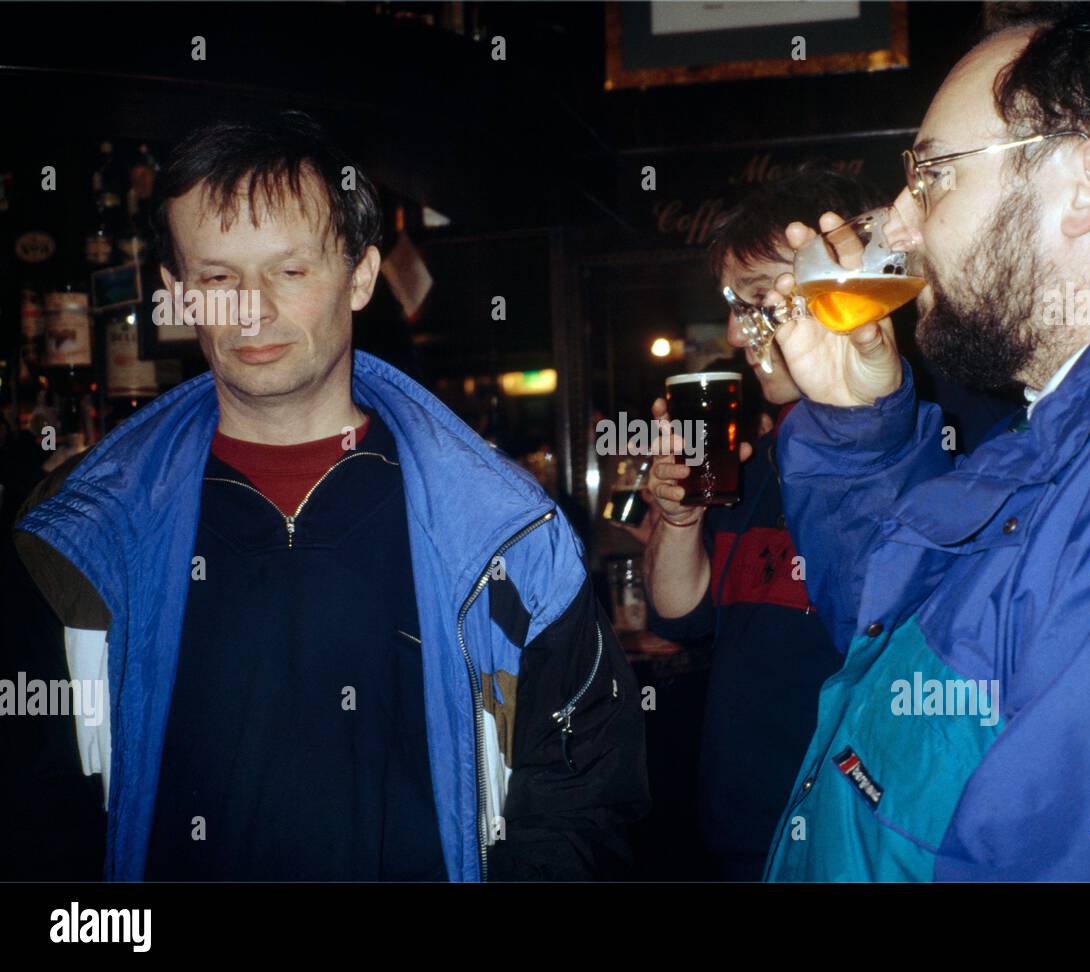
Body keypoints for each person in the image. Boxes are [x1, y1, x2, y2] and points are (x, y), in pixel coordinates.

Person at [11, 111, 648, 881]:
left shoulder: (505, 532)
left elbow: (578, 797)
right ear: (177, 296)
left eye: (290, 270)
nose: (252, 310)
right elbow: (33, 817)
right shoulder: (76, 536)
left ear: (361, 276)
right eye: (217, 278)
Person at [762, 3, 1090, 880]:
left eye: (931, 175)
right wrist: (860, 427)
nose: (896, 223)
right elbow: (909, 645)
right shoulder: (1084, 410)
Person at [640, 167, 866, 880]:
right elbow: (680, 617)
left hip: (853, 835)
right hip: (739, 830)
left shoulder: (916, 449)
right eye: (734, 307)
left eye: (760, 301)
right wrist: (677, 518)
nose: (739, 333)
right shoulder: (754, 461)